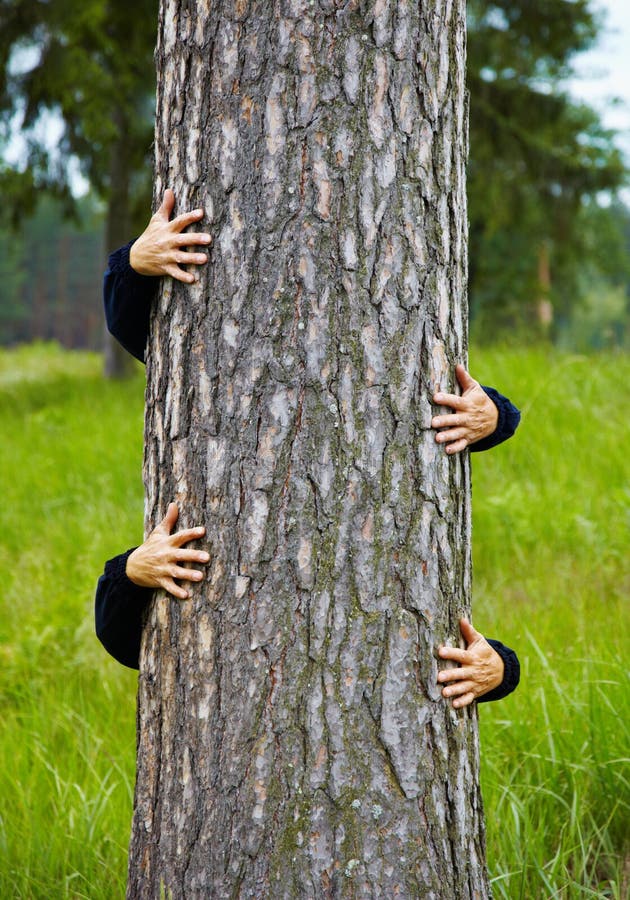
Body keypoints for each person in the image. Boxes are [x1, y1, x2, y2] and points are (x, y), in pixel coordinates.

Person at [97, 191, 521, 704]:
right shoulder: (195, 380)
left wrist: (500, 670)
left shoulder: (393, 405)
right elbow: (123, 638)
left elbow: (461, 410)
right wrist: (133, 266)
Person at [104, 190, 521, 455]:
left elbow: (455, 403)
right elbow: (128, 326)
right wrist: (134, 264)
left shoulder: (386, 352)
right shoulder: (201, 354)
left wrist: (495, 417)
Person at [95, 504, 520, 706]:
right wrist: (130, 571)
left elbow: (442, 667)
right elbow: (123, 641)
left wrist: (500, 669)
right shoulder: (190, 593)